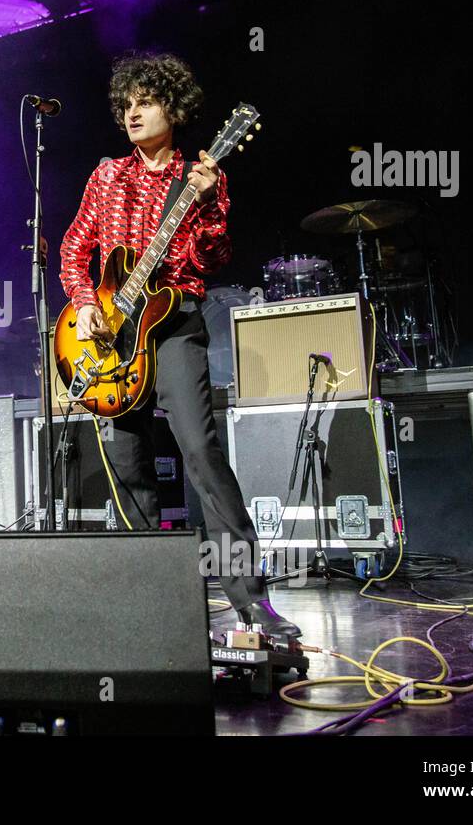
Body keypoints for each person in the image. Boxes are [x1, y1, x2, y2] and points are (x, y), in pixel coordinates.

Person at [59, 52, 301, 640]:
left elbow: (212, 261)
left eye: (146, 101)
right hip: (112, 341)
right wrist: (88, 302)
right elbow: (73, 247)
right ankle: (152, 599)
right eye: (126, 104)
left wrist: (211, 203)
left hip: (174, 325)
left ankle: (251, 603)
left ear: (175, 107)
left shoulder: (196, 178)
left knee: (201, 453)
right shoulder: (107, 175)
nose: (132, 112)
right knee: (127, 465)